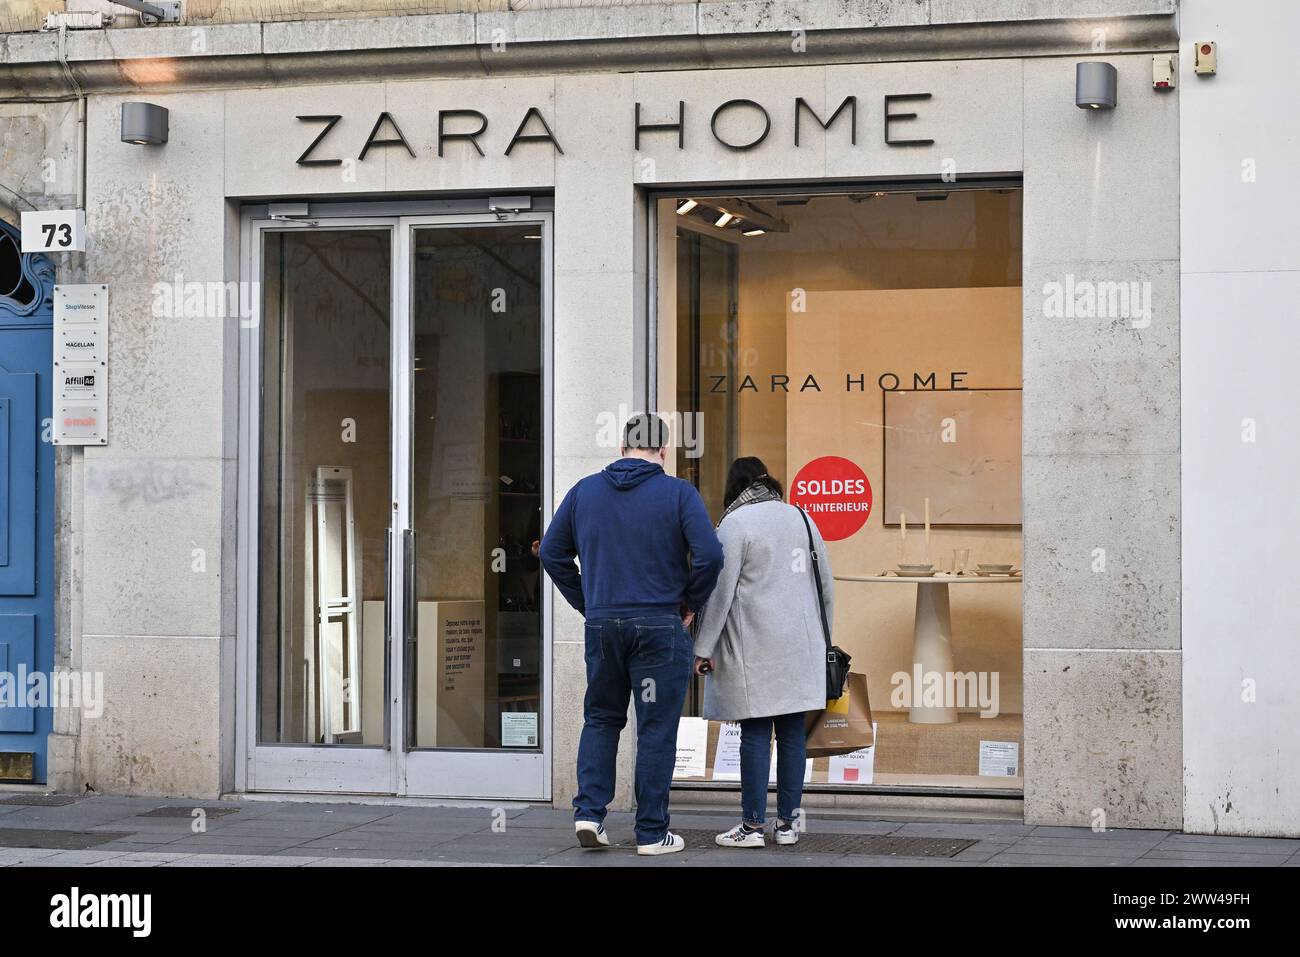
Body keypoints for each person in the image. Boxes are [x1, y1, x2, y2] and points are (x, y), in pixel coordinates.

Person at [539, 413, 724, 856]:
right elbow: (710, 556)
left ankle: (589, 814)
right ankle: (651, 833)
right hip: (659, 625)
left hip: (604, 625)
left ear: (622, 448)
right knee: (656, 728)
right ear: (663, 452)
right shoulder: (678, 493)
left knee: (602, 717)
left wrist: (589, 602)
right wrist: (689, 603)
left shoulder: (585, 491)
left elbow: (550, 552)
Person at [692, 456, 833, 848]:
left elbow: (720, 594)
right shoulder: (802, 518)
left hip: (754, 646)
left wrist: (702, 647)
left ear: (734, 487)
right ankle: (787, 825)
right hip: (801, 648)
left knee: (754, 732)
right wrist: (823, 642)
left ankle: (752, 827)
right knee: (791, 735)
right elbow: (826, 588)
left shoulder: (734, 525)